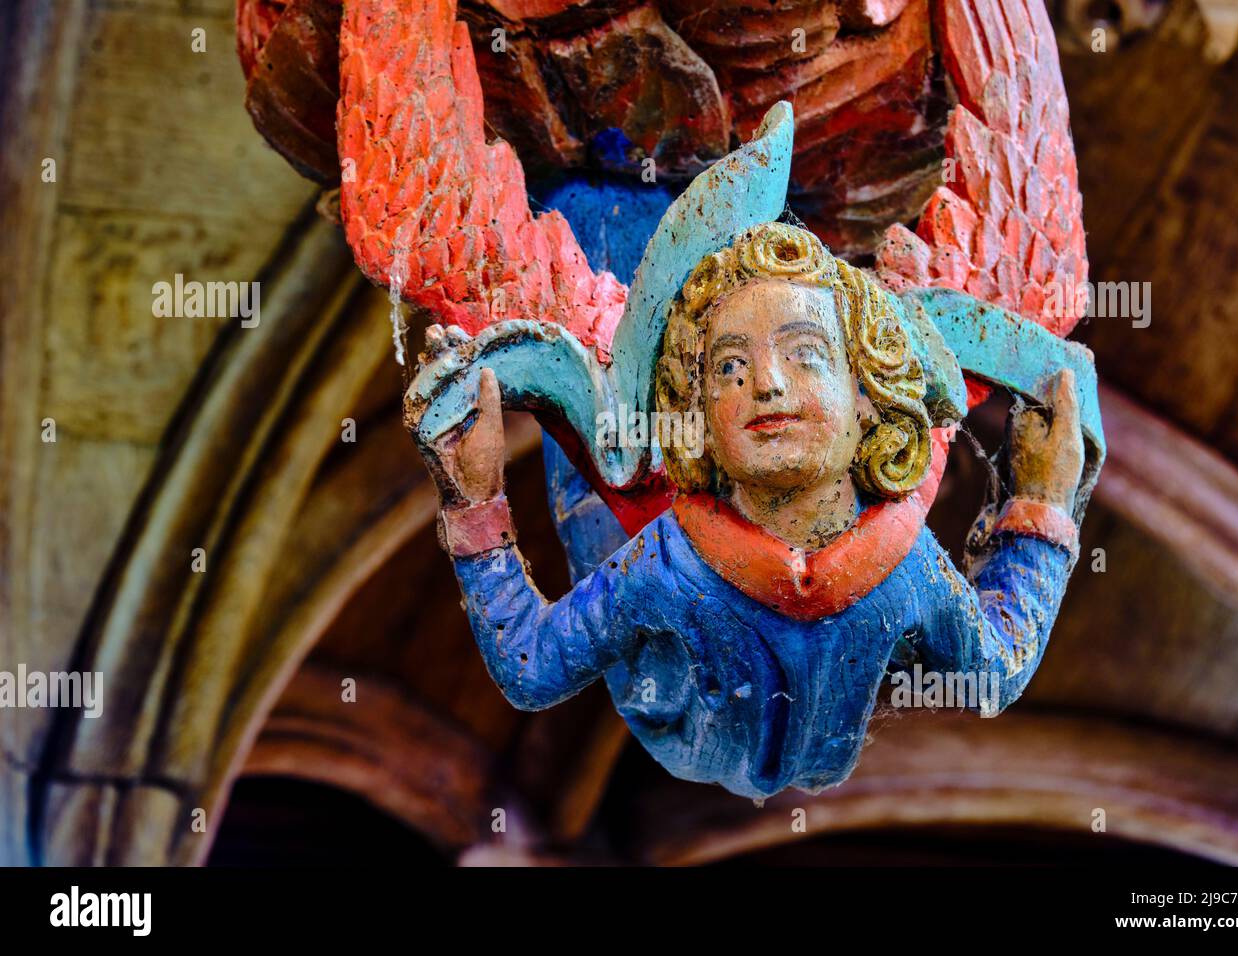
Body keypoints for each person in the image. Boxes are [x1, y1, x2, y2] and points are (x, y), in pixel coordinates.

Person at [415, 223, 1084, 800]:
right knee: (603, 471)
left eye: (805, 355)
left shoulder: (900, 565)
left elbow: (992, 670)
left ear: (865, 397)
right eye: (731, 368)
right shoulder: (672, 560)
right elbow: (534, 664)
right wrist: (475, 501)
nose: (766, 383)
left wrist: (1041, 503)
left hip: (806, 761)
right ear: (699, 418)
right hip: (674, 725)